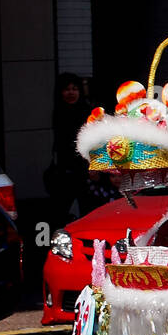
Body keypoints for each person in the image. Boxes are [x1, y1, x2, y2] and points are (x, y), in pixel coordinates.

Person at [47, 72, 95, 225]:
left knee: (87, 208)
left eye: (75, 89)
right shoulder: (59, 112)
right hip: (64, 170)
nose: (71, 93)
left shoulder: (87, 111)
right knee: (61, 209)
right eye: (67, 89)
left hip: (85, 168)